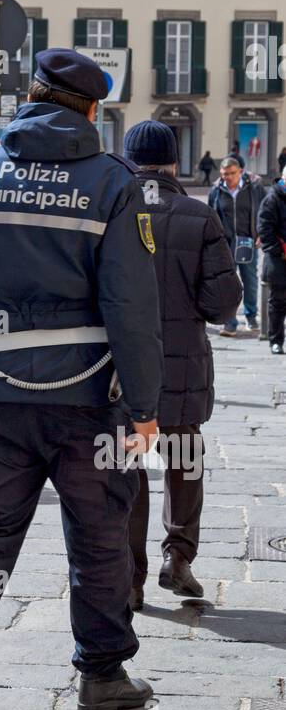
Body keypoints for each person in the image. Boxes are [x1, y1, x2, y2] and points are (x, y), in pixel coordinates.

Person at [0, 48, 164, 710]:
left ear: (31, 97)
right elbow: (131, 307)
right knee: (99, 533)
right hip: (88, 402)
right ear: (90, 109)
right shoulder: (112, 184)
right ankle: (103, 675)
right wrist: (145, 408)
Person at [122, 122, 242, 608]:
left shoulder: (111, 211)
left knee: (126, 465)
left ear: (130, 160)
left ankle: (129, 577)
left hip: (119, 372)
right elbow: (223, 303)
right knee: (183, 462)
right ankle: (179, 556)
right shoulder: (199, 215)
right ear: (174, 162)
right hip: (183, 368)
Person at [208, 156, 264, 335]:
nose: (228, 178)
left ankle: (251, 316)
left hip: (247, 240)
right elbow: (210, 216)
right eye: (224, 174)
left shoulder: (254, 188)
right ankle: (230, 322)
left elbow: (264, 212)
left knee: (250, 280)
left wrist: (260, 233)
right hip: (225, 244)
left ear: (240, 171)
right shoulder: (216, 190)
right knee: (227, 282)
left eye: (232, 173)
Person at [257, 166, 286, 355]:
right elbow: (264, 227)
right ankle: (275, 340)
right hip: (279, 258)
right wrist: (279, 250)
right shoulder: (272, 198)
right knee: (278, 301)